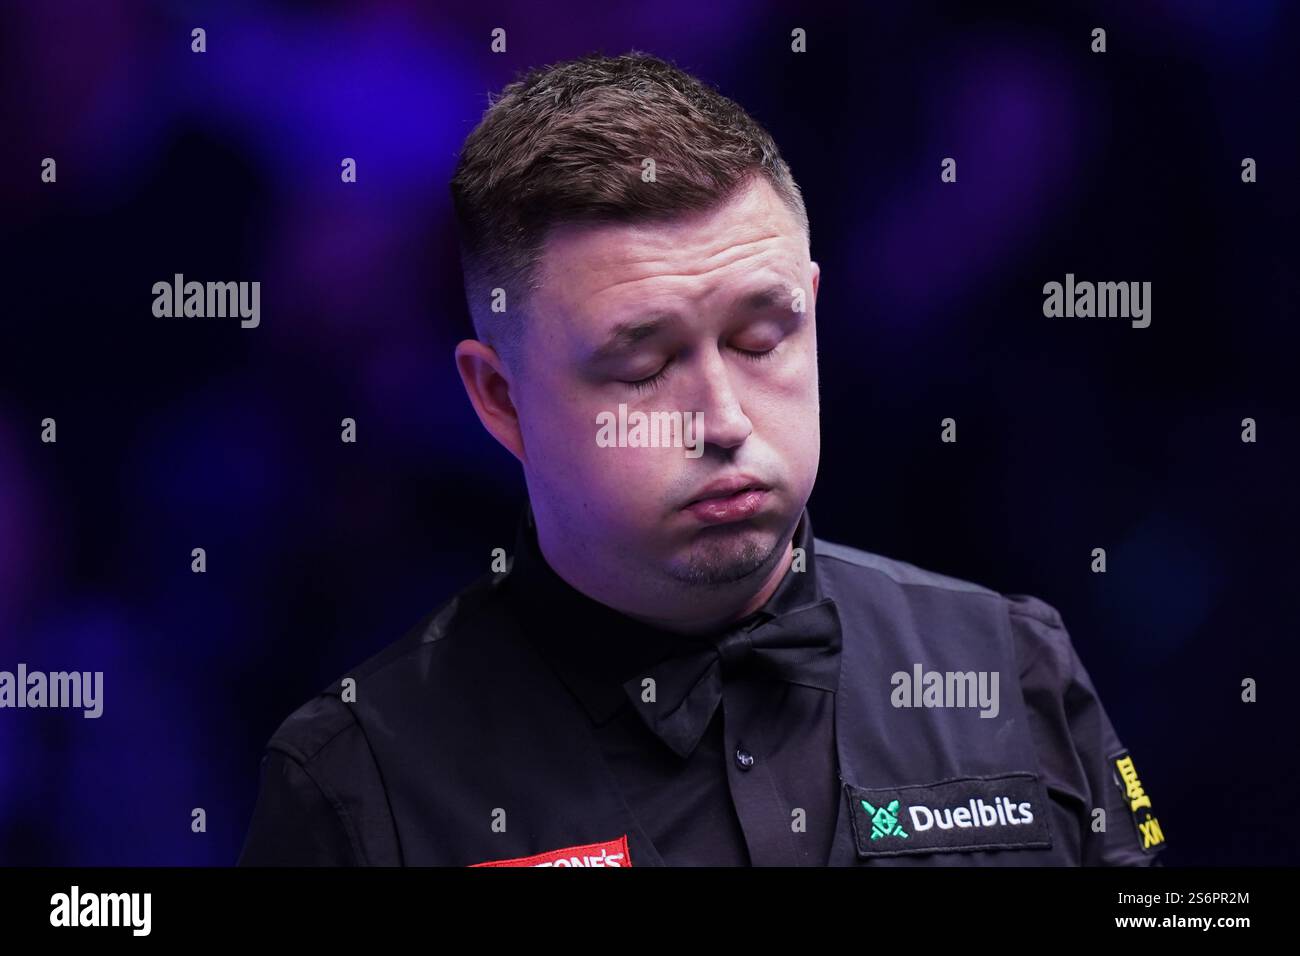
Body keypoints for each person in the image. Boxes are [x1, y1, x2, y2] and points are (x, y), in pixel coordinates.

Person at [237, 51, 1165, 867]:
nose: (723, 419)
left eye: (762, 339)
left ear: (812, 306)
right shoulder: (360, 778)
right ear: (501, 397)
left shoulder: (1013, 661)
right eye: (642, 366)